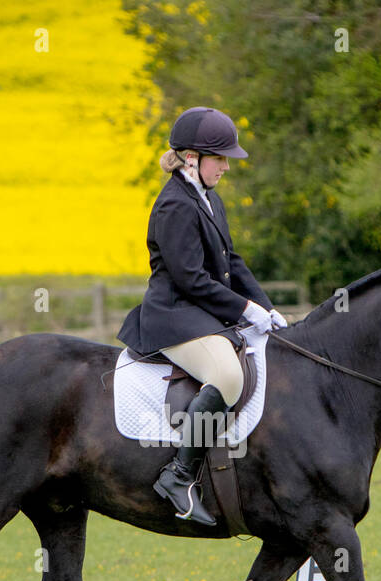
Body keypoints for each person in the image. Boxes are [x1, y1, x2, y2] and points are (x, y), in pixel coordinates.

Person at [117, 106, 286, 525]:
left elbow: (234, 261)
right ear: (192, 157)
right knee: (228, 377)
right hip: (174, 317)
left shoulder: (209, 198)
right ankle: (178, 474)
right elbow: (191, 280)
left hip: (203, 314)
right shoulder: (174, 205)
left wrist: (266, 309)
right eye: (221, 158)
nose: (227, 167)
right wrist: (245, 309)